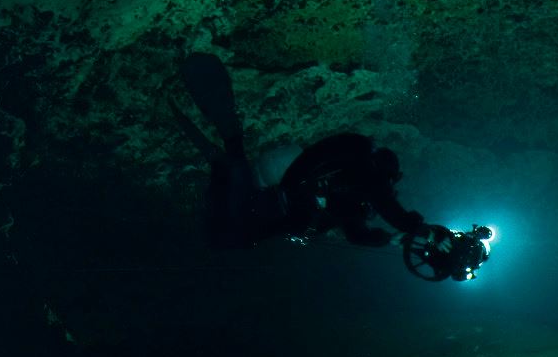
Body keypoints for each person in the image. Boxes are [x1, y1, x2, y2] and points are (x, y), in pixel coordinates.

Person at [171, 51, 427, 251]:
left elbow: (356, 230)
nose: (387, 187)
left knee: (236, 208)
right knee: (234, 227)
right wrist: (412, 227)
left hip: (275, 199)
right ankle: (224, 153)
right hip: (276, 197)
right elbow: (381, 204)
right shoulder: (363, 172)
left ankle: (225, 152)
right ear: (383, 171)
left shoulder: (351, 181)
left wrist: (389, 238)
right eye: (387, 181)